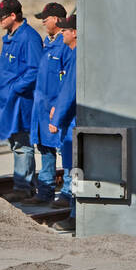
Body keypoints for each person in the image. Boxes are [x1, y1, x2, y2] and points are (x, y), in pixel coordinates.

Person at [0, 0, 43, 201]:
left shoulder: (29, 37)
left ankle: (23, 188)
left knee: (22, 144)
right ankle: (21, 185)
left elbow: (35, 70)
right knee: (15, 143)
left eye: (2, 16)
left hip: (21, 102)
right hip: (8, 101)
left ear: (13, 16)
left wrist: (14, 88)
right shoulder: (11, 36)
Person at [26, 3, 70, 206]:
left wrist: (59, 108)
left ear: (57, 19)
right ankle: (45, 191)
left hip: (58, 109)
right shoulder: (48, 44)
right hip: (42, 108)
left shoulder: (65, 45)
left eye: (46, 17)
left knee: (66, 151)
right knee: (45, 149)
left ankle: (68, 193)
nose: (43, 21)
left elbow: (68, 81)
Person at [48, 13, 77, 232]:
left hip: (73, 123)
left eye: (65, 30)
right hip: (72, 122)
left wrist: (56, 117)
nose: (63, 34)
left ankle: (76, 216)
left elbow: (69, 91)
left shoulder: (76, 57)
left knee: (76, 170)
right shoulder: (74, 54)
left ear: (74, 33)